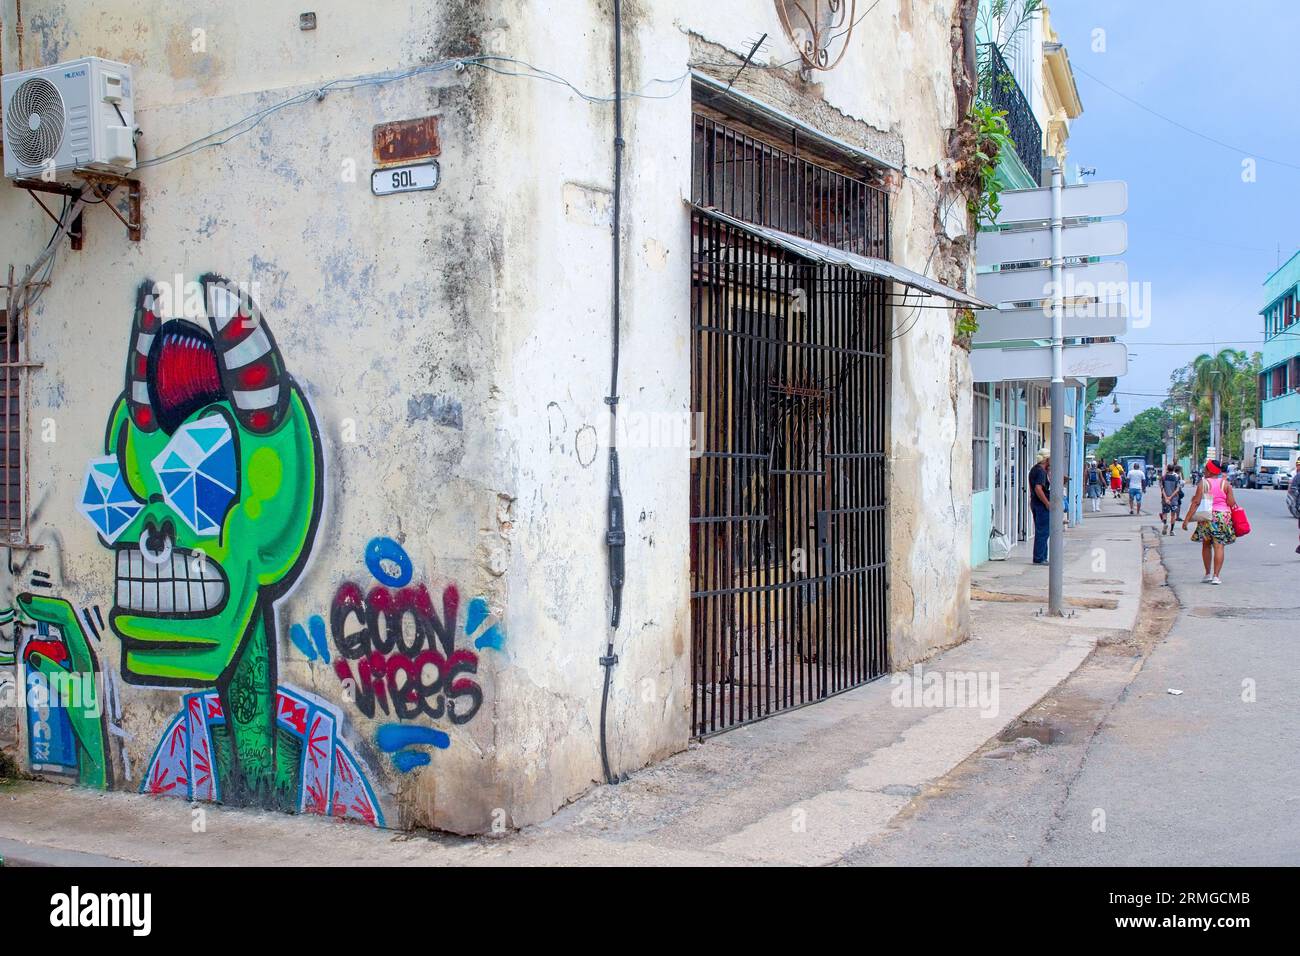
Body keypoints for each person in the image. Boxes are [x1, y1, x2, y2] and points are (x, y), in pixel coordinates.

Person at [1182, 459, 1238, 585]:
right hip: (1222, 517)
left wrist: (1187, 520)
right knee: (1219, 546)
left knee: (1206, 545)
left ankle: (1207, 574)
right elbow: (1231, 503)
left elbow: (1196, 502)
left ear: (1210, 470)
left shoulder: (1203, 483)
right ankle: (1216, 576)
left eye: (1206, 469)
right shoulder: (1226, 484)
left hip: (1206, 516)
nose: (1204, 471)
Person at [1029, 449, 1051, 565]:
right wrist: (1047, 503)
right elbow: (1038, 488)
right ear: (1046, 459)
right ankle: (1039, 557)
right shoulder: (1040, 471)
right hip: (1041, 505)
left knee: (1042, 531)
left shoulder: (1036, 469)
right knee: (1043, 532)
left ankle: (1042, 556)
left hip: (1036, 503)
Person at [1159, 463, 1183, 535]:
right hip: (1174, 499)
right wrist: (1170, 497)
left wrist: (1166, 497)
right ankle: (1171, 531)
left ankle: (1165, 524)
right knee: (1173, 515)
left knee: (1165, 513)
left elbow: (1162, 488)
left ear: (1167, 469)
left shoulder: (1163, 477)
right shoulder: (1177, 477)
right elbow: (1177, 489)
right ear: (1173, 469)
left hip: (1165, 498)